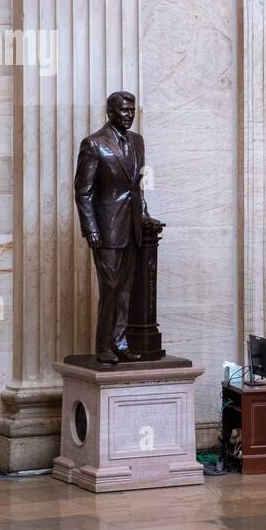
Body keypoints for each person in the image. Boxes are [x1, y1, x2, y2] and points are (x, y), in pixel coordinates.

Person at [73, 90, 154, 364]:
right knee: (109, 288)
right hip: (106, 230)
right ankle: (103, 346)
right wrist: (91, 229)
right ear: (110, 113)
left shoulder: (138, 142)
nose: (129, 115)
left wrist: (144, 214)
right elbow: (82, 191)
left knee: (126, 290)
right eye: (123, 110)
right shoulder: (94, 144)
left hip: (132, 228)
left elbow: (138, 186)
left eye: (132, 110)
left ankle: (120, 342)